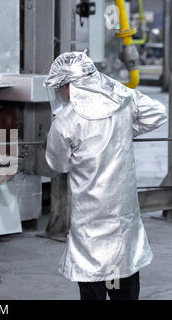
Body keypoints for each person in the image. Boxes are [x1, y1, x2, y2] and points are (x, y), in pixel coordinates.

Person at [43, 51, 167, 300]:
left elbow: (58, 164)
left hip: (90, 216)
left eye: (61, 87)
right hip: (123, 213)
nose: (60, 93)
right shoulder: (122, 99)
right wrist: (124, 132)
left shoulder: (66, 121)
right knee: (125, 269)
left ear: (71, 85)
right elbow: (158, 113)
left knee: (92, 278)